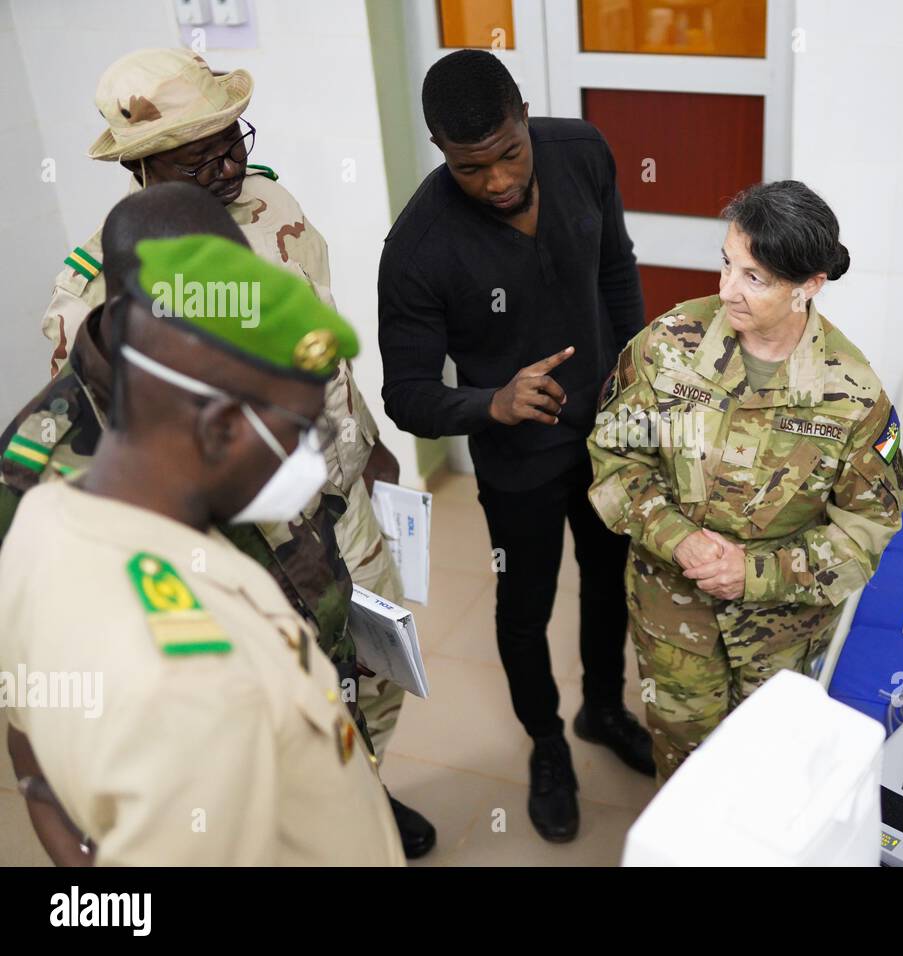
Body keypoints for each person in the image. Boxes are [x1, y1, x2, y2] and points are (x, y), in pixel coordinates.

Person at [3, 183, 434, 860]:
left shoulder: (51, 522)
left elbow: (28, 708)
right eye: (300, 431)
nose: (312, 456)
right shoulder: (199, 693)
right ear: (222, 428)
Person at [38, 47, 418, 779]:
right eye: (195, 160)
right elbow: (112, 461)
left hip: (341, 502)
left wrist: (365, 440)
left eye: (230, 145)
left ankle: (367, 800)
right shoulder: (94, 291)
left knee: (376, 679)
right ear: (141, 168)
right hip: (250, 548)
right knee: (292, 723)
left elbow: (324, 345)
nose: (224, 169)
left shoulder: (275, 207)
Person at [379, 50, 650, 841]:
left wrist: (636, 369)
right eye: (471, 168)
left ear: (525, 116)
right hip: (517, 460)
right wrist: (490, 402)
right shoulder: (419, 248)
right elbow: (407, 394)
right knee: (525, 606)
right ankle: (546, 744)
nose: (497, 180)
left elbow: (616, 267)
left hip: (608, 432)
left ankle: (604, 708)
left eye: (508, 154)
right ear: (441, 154)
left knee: (608, 579)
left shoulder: (582, 152)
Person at [587, 181, 903, 781]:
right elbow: (614, 458)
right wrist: (675, 535)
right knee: (683, 771)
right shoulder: (668, 345)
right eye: (727, 265)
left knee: (768, 779)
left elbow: (867, 529)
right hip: (672, 616)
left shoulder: (852, 395)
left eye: (754, 277)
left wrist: (755, 573)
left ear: (808, 286)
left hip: (783, 634)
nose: (727, 290)